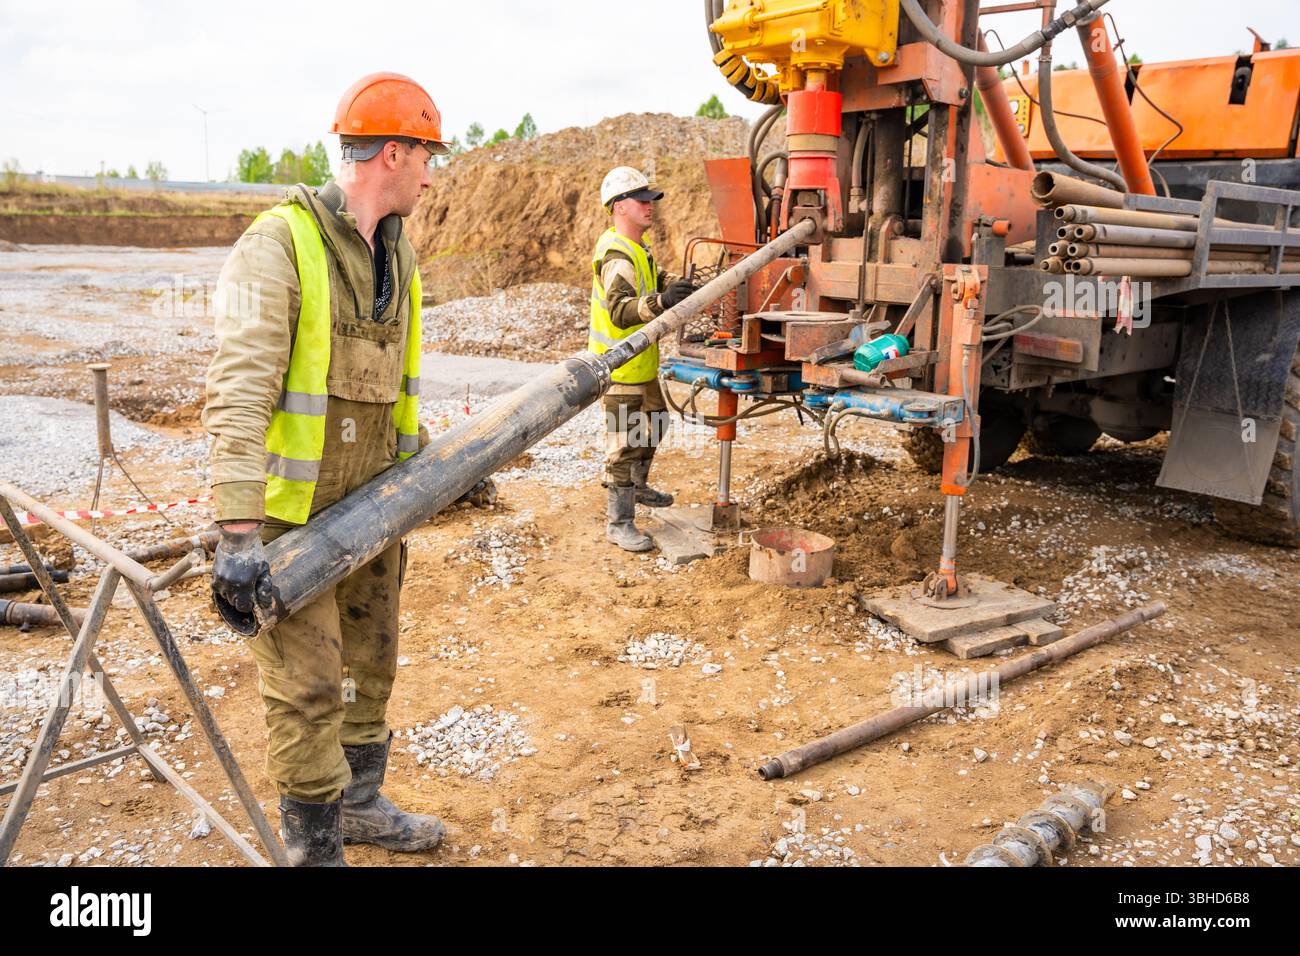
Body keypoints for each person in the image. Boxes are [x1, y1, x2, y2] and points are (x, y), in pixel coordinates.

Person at [203, 72, 448, 866]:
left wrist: (413, 477)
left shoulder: (399, 254)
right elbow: (238, 390)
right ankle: (314, 847)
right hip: (290, 518)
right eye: (425, 157)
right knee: (308, 686)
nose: (430, 173)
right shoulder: (278, 245)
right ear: (390, 152)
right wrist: (239, 532)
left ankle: (362, 803)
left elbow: (401, 384)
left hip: (373, 506)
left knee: (369, 664)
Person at [587, 166, 695, 552]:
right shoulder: (617, 254)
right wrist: (663, 303)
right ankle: (619, 523)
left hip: (641, 366)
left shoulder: (637, 248)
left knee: (656, 420)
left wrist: (674, 285)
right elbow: (619, 311)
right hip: (619, 368)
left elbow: (653, 275)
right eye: (641, 201)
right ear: (619, 207)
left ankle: (638, 486)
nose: (650, 207)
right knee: (623, 442)